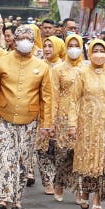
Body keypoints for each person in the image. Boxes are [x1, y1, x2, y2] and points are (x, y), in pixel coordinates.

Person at [0, 25, 53, 209]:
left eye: (29, 39)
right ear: (13, 41)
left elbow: (47, 99)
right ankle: (4, 199)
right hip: (4, 118)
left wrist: (46, 125)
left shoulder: (42, 67)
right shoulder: (1, 62)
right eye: (21, 38)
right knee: (5, 157)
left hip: (30, 120)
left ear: (33, 43)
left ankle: (16, 200)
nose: (25, 42)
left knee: (23, 160)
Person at [67, 39, 105, 209]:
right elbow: (73, 100)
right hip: (87, 125)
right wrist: (72, 124)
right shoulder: (81, 73)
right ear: (90, 52)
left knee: (104, 163)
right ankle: (84, 192)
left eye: (102, 50)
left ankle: (98, 197)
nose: (99, 53)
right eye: (95, 50)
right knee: (87, 161)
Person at [52, 33, 85, 202]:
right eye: (70, 46)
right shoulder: (58, 69)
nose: (73, 49)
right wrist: (52, 120)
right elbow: (54, 95)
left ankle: (80, 190)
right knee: (63, 153)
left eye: (76, 46)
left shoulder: (87, 68)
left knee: (80, 153)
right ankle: (59, 184)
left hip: (82, 114)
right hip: (63, 115)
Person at [35, 35, 66, 195]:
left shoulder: (64, 67)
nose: (46, 49)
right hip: (41, 111)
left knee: (57, 148)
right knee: (41, 147)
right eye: (45, 46)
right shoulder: (39, 66)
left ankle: (57, 179)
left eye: (50, 46)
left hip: (61, 112)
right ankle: (47, 181)